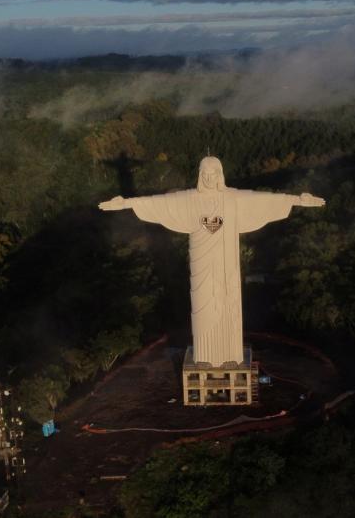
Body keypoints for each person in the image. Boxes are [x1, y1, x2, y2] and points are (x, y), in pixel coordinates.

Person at [99, 156, 324, 366]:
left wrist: (298, 200)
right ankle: (204, 357)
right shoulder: (189, 199)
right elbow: (158, 203)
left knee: (229, 308)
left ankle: (230, 356)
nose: (209, 177)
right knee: (203, 307)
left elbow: (265, 199)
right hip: (201, 263)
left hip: (227, 264)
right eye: (205, 173)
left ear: (221, 174)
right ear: (199, 175)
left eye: (214, 173)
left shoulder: (234, 198)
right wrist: (126, 203)